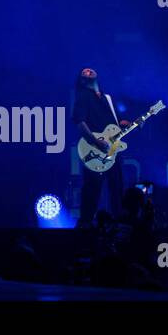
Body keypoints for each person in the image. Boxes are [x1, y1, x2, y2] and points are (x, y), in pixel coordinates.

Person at [72, 67, 130, 228]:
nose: (88, 71)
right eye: (84, 72)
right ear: (82, 80)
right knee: (92, 189)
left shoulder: (107, 98)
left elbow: (116, 124)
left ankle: (118, 226)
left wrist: (129, 124)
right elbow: (80, 122)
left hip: (112, 150)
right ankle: (85, 225)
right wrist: (95, 141)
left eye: (90, 70)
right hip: (95, 149)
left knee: (117, 187)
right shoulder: (83, 97)